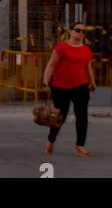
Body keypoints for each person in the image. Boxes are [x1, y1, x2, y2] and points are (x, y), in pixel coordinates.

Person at [41, 22, 97, 157]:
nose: (81, 34)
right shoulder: (61, 47)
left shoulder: (86, 50)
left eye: (83, 32)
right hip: (60, 87)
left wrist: (92, 82)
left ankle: (80, 146)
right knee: (60, 116)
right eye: (78, 30)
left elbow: (88, 68)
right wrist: (45, 82)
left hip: (81, 86)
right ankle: (51, 140)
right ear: (70, 31)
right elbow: (51, 65)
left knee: (82, 116)